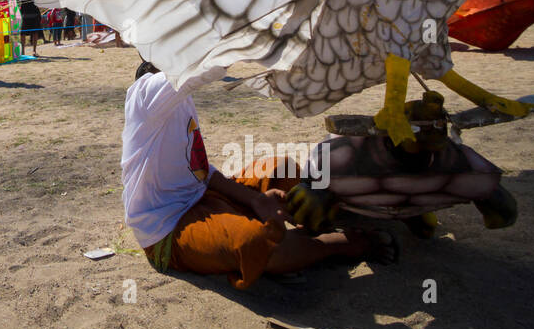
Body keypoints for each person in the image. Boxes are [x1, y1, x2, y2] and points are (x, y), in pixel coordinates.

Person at [122, 61, 395, 288]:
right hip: (169, 227)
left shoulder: (181, 101)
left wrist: (255, 200)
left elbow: (203, 171)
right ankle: (335, 245)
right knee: (255, 243)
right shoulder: (144, 93)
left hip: (204, 196)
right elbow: (208, 65)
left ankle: (298, 239)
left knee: (284, 168)